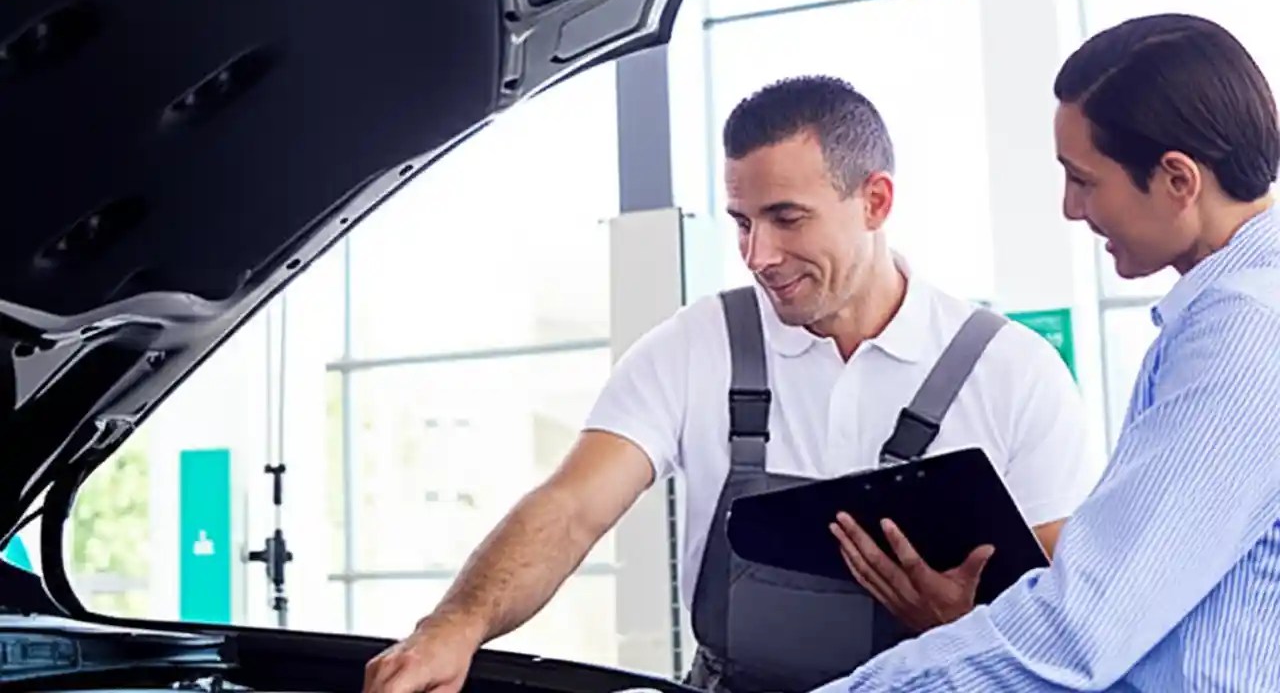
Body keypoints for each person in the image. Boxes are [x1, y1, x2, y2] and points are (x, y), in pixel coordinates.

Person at [361, 75, 1106, 693]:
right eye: (742, 221)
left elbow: (1067, 628)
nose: (758, 254)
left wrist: (963, 633)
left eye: (787, 218)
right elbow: (571, 508)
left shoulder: (1013, 372)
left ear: (875, 201)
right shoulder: (697, 345)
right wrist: (454, 624)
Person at [814, 13, 1280, 692]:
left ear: (1178, 179)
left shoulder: (1244, 332)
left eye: (1083, 179)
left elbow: (1082, 626)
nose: (1069, 208)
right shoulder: (1228, 315)